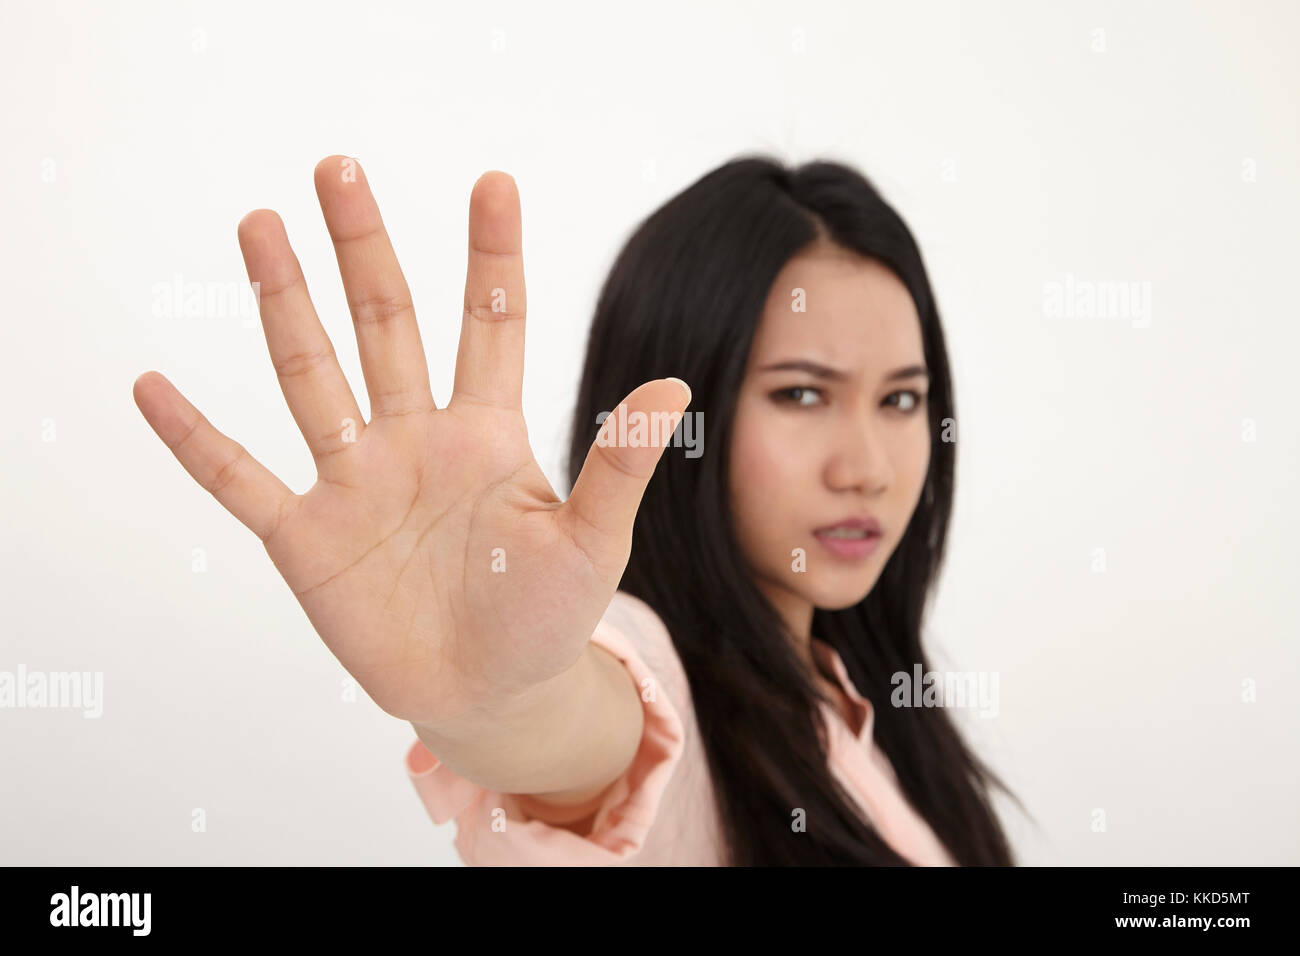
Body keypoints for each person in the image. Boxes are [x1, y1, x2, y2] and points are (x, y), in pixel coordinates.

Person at [133, 153, 1020, 866]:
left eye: (901, 400)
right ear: (683, 401)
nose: (867, 468)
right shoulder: (657, 671)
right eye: (801, 394)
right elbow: (584, 731)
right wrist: (497, 703)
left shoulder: (863, 706)